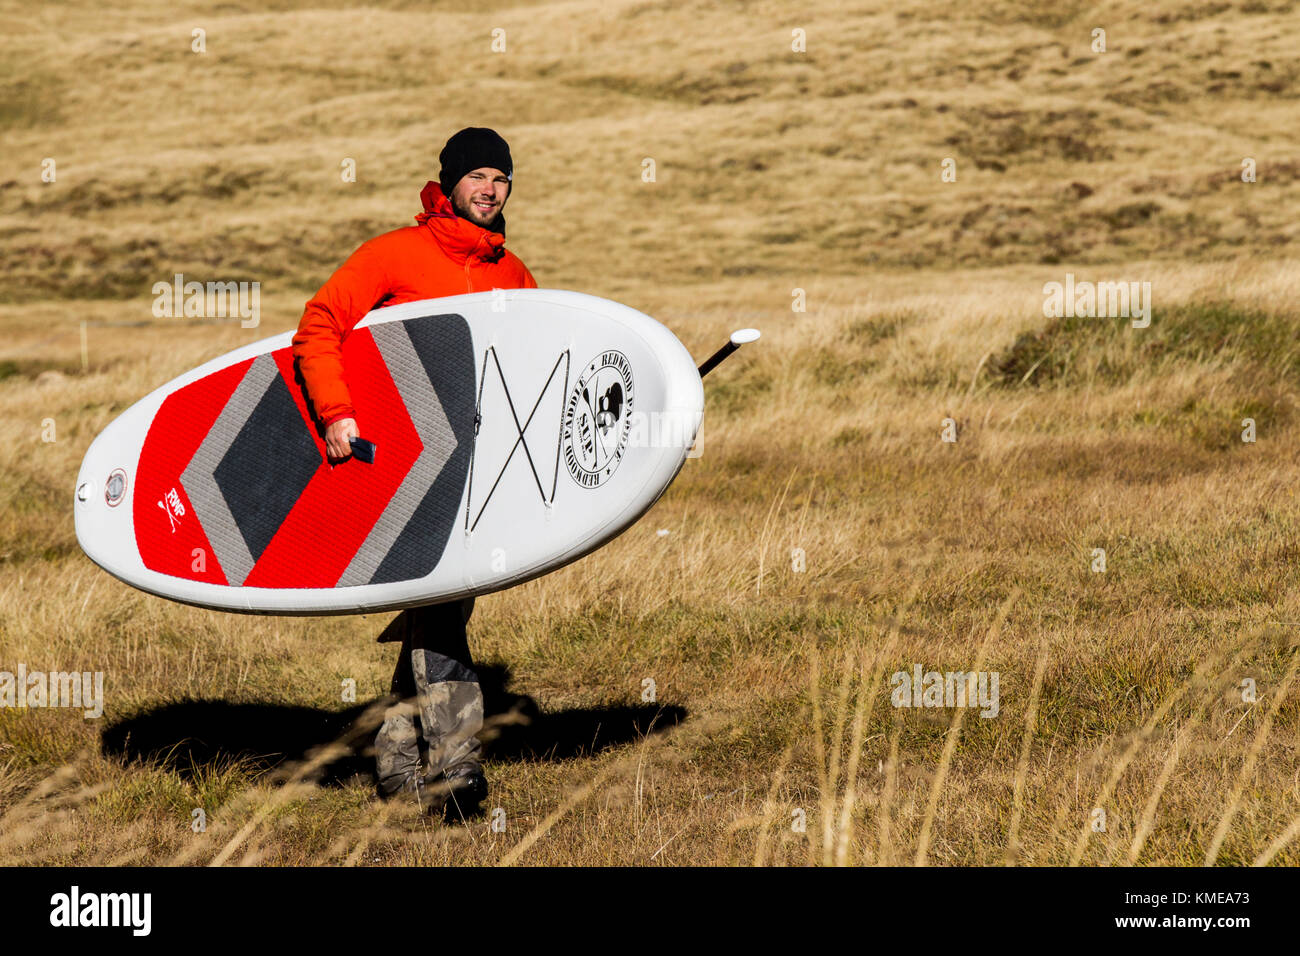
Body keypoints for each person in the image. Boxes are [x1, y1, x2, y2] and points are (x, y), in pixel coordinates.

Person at [292, 127, 537, 816]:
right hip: (403, 472)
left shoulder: (512, 274)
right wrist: (337, 414)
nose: (490, 190)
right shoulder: (395, 253)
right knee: (441, 615)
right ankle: (458, 773)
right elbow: (318, 325)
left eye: (502, 178)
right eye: (478, 176)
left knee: (441, 610)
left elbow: (535, 367)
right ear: (451, 182)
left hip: (476, 479)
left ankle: (397, 766)